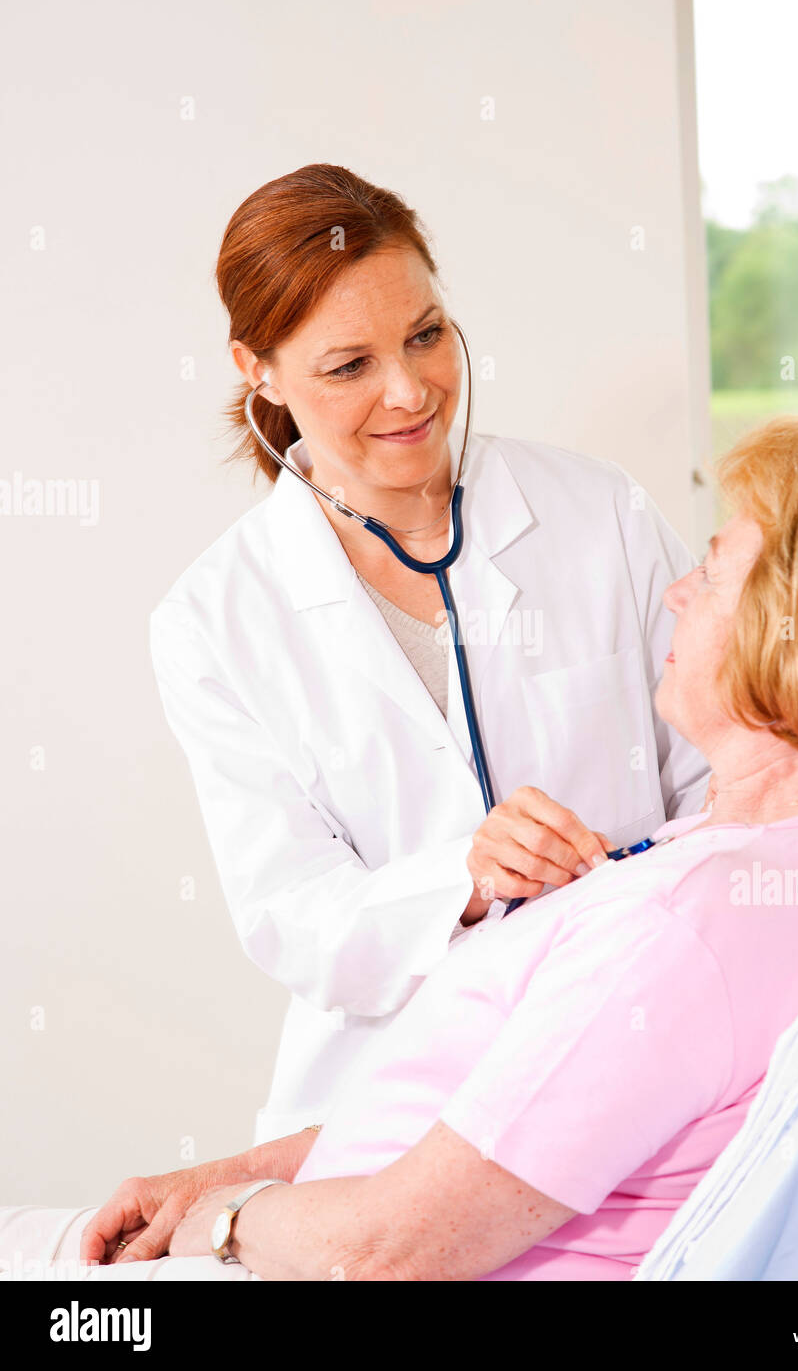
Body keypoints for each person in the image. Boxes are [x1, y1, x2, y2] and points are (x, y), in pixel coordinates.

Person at [4, 414, 798, 1281]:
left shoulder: (687, 931)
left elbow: (386, 1253)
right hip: (322, 1201)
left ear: (797, 643)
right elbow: (475, 1100)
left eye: (715, 568)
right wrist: (237, 1176)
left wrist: (222, 1220)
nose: (678, 592)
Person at [148, 163, 711, 1143]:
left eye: (425, 335)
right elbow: (294, 918)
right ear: (259, 370)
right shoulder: (214, 622)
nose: (410, 391)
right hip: (390, 1111)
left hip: (631, 1065)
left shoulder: (600, 514)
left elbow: (722, 772)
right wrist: (467, 873)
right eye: (347, 365)